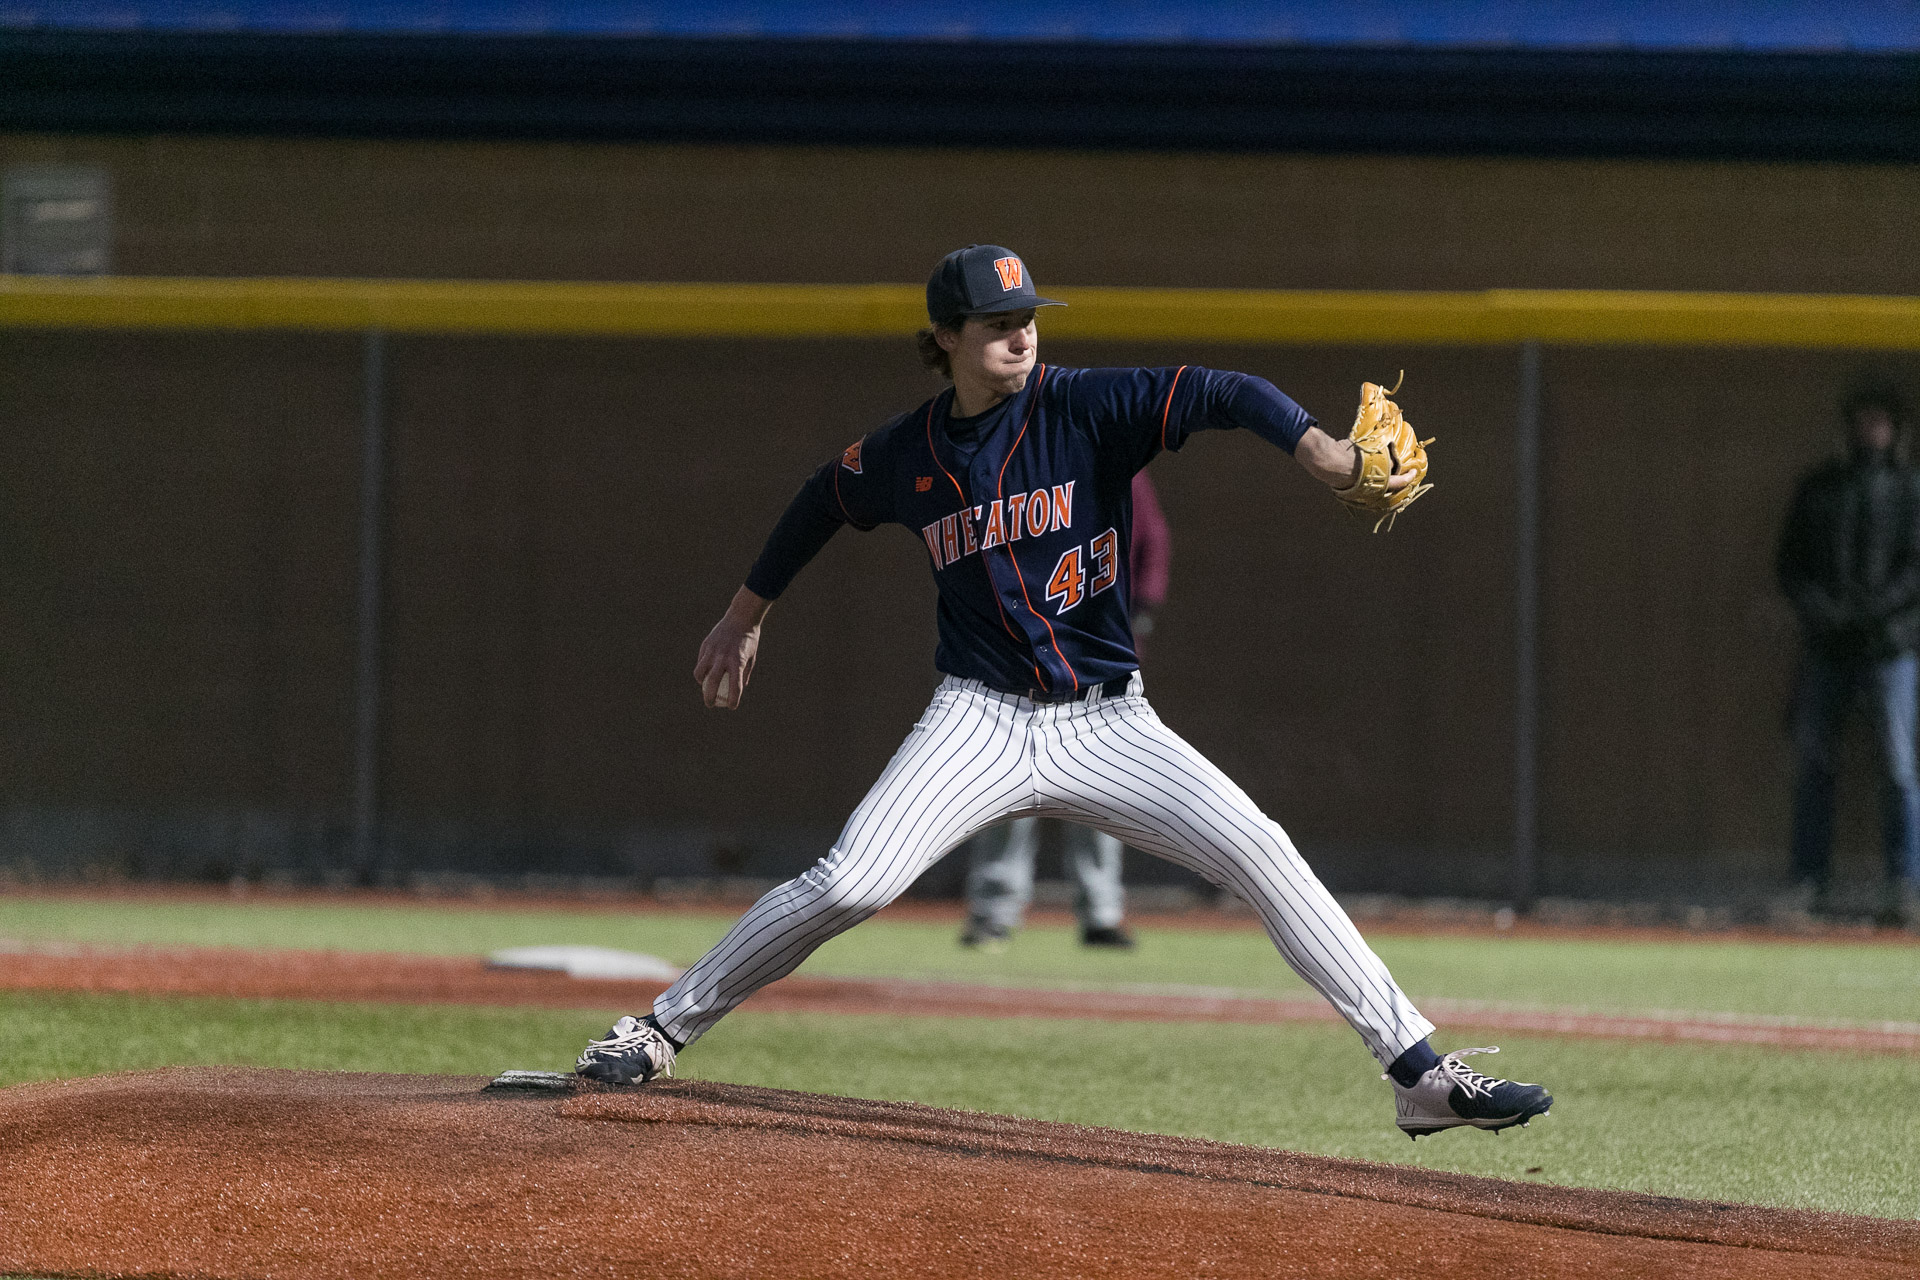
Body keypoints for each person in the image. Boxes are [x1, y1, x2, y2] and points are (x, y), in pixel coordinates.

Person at [576, 245, 1553, 1138]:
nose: (1022, 331)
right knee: (848, 880)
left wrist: (1323, 452)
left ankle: (1418, 1072)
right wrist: (744, 614)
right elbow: (821, 499)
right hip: (978, 720)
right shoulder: (908, 452)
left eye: (1029, 314)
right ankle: (657, 1028)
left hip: (1109, 721)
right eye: (999, 321)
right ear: (947, 339)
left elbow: (1225, 389)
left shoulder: (1086, 406)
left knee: (1258, 845)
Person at [959, 470, 1171, 951]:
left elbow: (1153, 537)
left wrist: (1145, 608)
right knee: (1003, 791)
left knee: (1104, 790)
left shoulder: (1117, 456)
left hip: (1095, 656)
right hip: (1018, 656)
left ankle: (1101, 912)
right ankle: (994, 911)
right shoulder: (1016, 464)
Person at [1776, 382, 1920, 928]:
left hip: (1890, 648)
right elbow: (1791, 566)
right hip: (1829, 649)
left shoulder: (1909, 490)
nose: (1872, 431)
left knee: (1900, 766)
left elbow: (1913, 570)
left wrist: (1875, 612)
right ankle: (1808, 881)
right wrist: (1827, 612)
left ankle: (1903, 885)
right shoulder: (1820, 490)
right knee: (1814, 763)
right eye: (1864, 420)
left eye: (1881, 421)